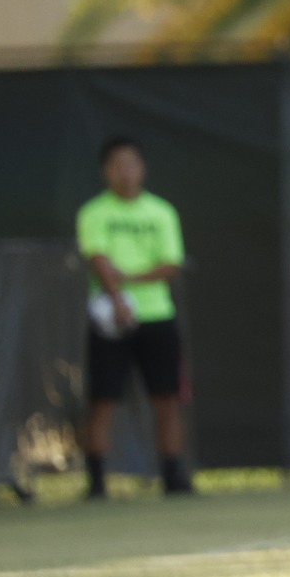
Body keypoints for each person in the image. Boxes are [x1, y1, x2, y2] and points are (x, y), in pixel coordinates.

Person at [77, 137, 193, 498]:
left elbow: (171, 263)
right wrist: (118, 299)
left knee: (167, 398)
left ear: (142, 168)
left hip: (157, 317)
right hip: (109, 321)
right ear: (106, 170)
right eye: (117, 164)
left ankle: (173, 477)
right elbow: (98, 258)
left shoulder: (161, 212)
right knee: (103, 398)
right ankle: (97, 482)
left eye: (132, 164)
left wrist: (130, 280)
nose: (126, 172)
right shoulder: (94, 213)